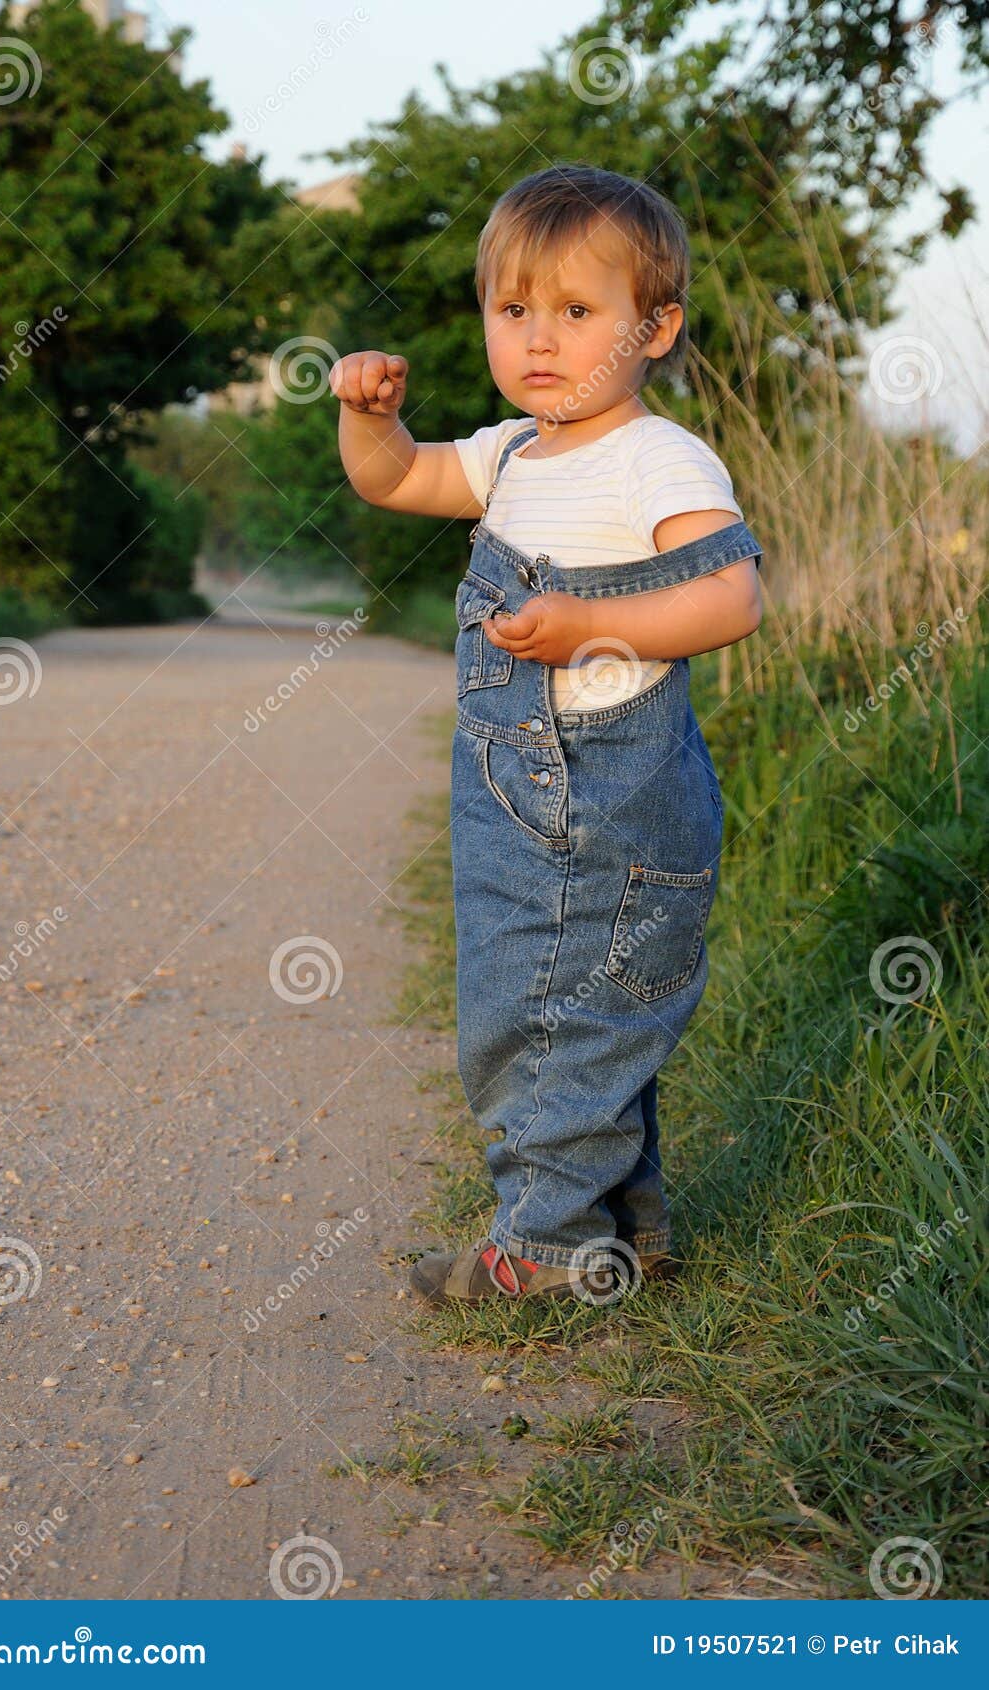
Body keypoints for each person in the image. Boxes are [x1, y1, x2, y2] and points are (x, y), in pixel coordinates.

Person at [330, 163, 764, 1306]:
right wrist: (365, 419)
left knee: (552, 1017)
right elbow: (397, 479)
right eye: (513, 310)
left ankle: (547, 1249)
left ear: (653, 326)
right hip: (512, 793)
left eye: (576, 314)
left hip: (612, 791)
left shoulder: (655, 458)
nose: (538, 340)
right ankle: (627, 1231)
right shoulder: (510, 453)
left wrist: (585, 625)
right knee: (558, 1006)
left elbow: (728, 599)